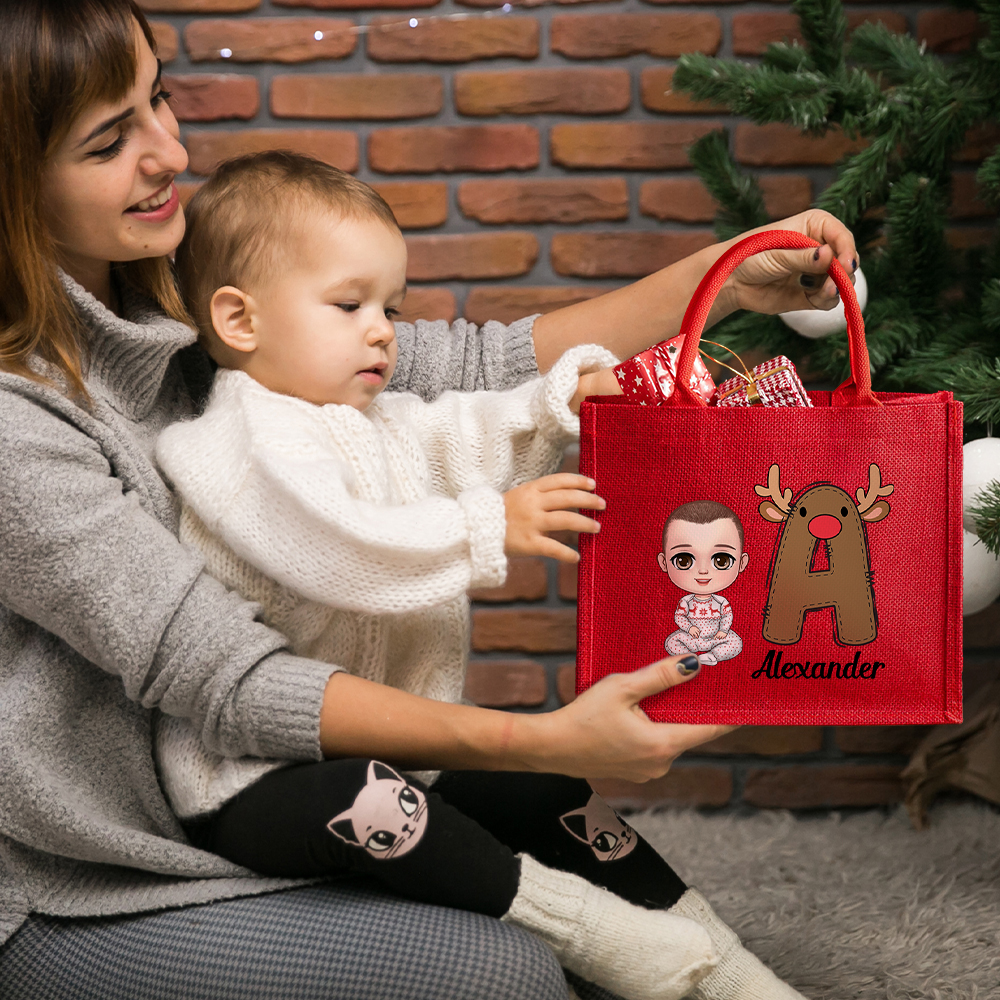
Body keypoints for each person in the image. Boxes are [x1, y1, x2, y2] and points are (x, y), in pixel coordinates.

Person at [0, 1, 858, 997]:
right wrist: (540, 729)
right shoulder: (21, 429)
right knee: (507, 976)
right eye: (111, 140)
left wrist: (723, 274)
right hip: (90, 872)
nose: (167, 151)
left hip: (283, 787)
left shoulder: (198, 310)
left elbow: (470, 367)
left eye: (161, 100)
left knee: (556, 840)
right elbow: (230, 679)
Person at [152, 150, 812, 1000]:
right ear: (240, 321)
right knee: (376, 802)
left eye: (391, 306)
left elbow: (467, 428)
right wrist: (486, 523)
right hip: (251, 779)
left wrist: (557, 404)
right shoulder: (234, 443)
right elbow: (340, 545)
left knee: (543, 796)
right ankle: (591, 931)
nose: (384, 329)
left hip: (399, 745)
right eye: (349, 305)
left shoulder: (372, 417)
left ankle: (725, 967)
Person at [659, 502, 750, 665]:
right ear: (664, 562)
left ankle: (713, 656)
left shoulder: (721, 602)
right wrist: (688, 628)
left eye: (721, 560)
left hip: (716, 638)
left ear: (741, 563)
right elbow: (679, 617)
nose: (702, 571)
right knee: (672, 642)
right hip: (690, 637)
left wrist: (723, 631)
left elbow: (727, 616)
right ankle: (688, 657)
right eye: (684, 560)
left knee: (735, 642)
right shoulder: (685, 602)